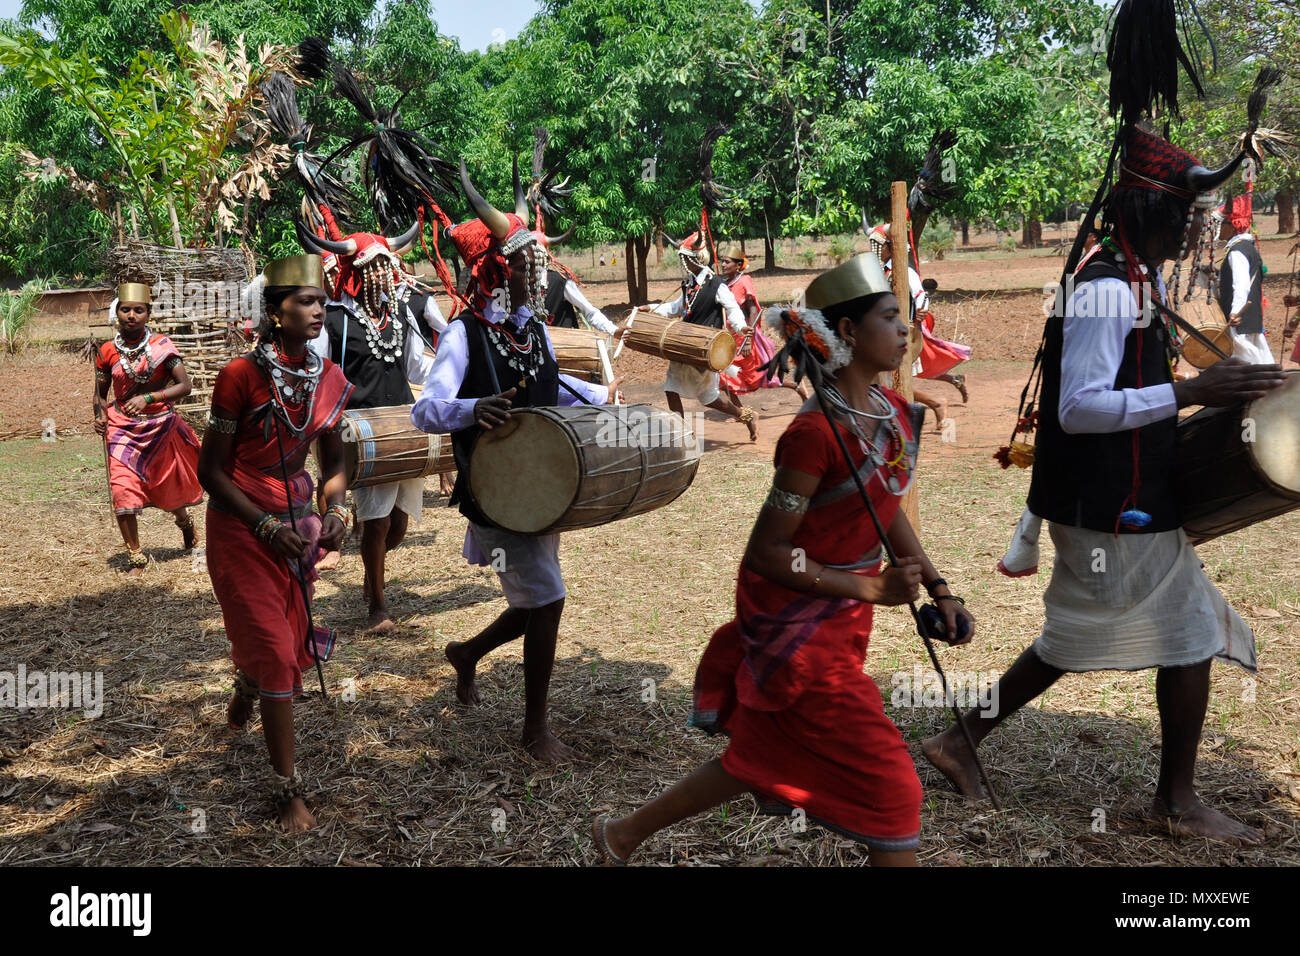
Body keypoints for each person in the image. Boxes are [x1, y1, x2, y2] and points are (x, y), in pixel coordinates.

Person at [924, 9, 1287, 844]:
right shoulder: (1105, 289)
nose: (1190, 227)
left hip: (1108, 499)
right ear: (1143, 209)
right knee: (1185, 631)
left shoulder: (1135, 278)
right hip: (1105, 501)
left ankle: (961, 739)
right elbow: (1079, 409)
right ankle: (1174, 801)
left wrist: (1219, 387)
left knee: (1080, 638)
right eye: (1180, 214)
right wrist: (1198, 393)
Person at [592, 254, 976, 865]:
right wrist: (870, 589)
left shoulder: (895, 416)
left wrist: (941, 588)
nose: (906, 330)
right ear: (847, 333)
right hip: (797, 635)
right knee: (895, 791)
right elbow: (769, 553)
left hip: (841, 626)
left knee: (761, 759)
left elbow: (887, 507)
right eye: (889, 317)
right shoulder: (813, 435)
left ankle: (622, 834)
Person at [411, 162, 615, 762]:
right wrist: (476, 409)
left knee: (536, 598)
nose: (540, 272)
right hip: (495, 492)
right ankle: (534, 730)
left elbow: (555, 387)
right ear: (500, 270)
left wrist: (605, 398)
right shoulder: (463, 335)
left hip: (541, 487)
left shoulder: (535, 332)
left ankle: (468, 653)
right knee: (547, 599)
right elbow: (427, 411)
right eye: (529, 264)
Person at [199, 254, 353, 832]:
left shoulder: (326, 375)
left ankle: (247, 687)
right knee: (271, 642)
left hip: (296, 526)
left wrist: (335, 509)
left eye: (322, 300)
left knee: (281, 640)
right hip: (241, 527)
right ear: (274, 311)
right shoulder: (239, 375)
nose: (320, 309)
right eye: (307, 301)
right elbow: (209, 470)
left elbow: (334, 460)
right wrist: (264, 526)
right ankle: (289, 790)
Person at [298, 223, 443, 631]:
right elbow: (317, 371)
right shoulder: (336, 318)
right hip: (361, 434)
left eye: (387, 269)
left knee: (397, 526)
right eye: (374, 270)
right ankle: (378, 607)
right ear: (356, 274)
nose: (383, 278)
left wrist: (455, 374)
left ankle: (369, 573)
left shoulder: (398, 313)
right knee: (378, 524)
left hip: (405, 429)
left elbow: (418, 365)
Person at [92, 283, 203, 574]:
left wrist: (148, 397)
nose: (131, 315)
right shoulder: (106, 351)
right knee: (122, 489)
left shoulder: (163, 347)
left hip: (161, 427)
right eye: (125, 310)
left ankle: (185, 522)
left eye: (138, 310)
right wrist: (99, 414)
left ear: (148, 313)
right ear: (116, 313)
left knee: (167, 489)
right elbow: (100, 395)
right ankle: (136, 556)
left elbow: (185, 386)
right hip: (121, 427)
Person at [652, 234, 758, 440]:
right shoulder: (689, 284)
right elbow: (676, 307)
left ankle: (747, 416)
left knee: (709, 399)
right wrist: (652, 308)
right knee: (671, 388)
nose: (684, 264)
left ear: (696, 259)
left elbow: (733, 308)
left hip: (704, 348)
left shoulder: (716, 284)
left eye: (686, 259)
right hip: (684, 346)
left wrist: (742, 327)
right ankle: (681, 434)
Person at [869, 224, 969, 428]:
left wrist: (921, 313)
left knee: (886, 380)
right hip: (882, 333)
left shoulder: (905, 272)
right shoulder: (880, 271)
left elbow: (920, 296)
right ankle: (932, 405)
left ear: (890, 247)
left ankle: (931, 406)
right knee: (882, 380)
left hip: (902, 333)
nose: (876, 251)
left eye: (879, 246)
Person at [716, 245, 809, 399]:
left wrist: (748, 340)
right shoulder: (723, 283)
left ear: (738, 265)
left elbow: (753, 311)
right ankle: (742, 414)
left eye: (727, 262)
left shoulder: (744, 281)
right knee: (725, 375)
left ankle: (795, 386)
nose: (723, 265)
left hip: (745, 337)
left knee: (757, 378)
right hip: (729, 338)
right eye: (722, 262)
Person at [1217, 193, 1273, 364]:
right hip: (1249, 317)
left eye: (1222, 223)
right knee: (1258, 361)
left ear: (1233, 225)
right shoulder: (1246, 247)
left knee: (1246, 367)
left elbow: (1241, 286)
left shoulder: (1237, 251)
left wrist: (1235, 312)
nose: (1220, 227)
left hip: (1239, 319)